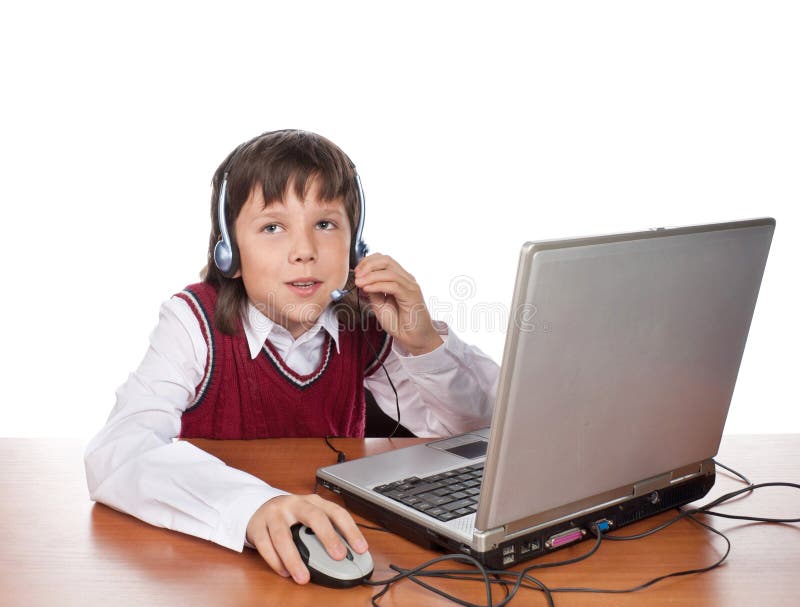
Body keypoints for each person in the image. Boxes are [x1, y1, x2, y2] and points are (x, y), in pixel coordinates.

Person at [84, 129, 499, 585]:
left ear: (355, 247)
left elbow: (479, 434)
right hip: (209, 566)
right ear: (229, 253)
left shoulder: (364, 320)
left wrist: (423, 345)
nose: (304, 252)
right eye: (272, 227)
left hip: (340, 536)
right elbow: (118, 452)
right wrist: (252, 505)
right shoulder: (192, 323)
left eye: (325, 224)